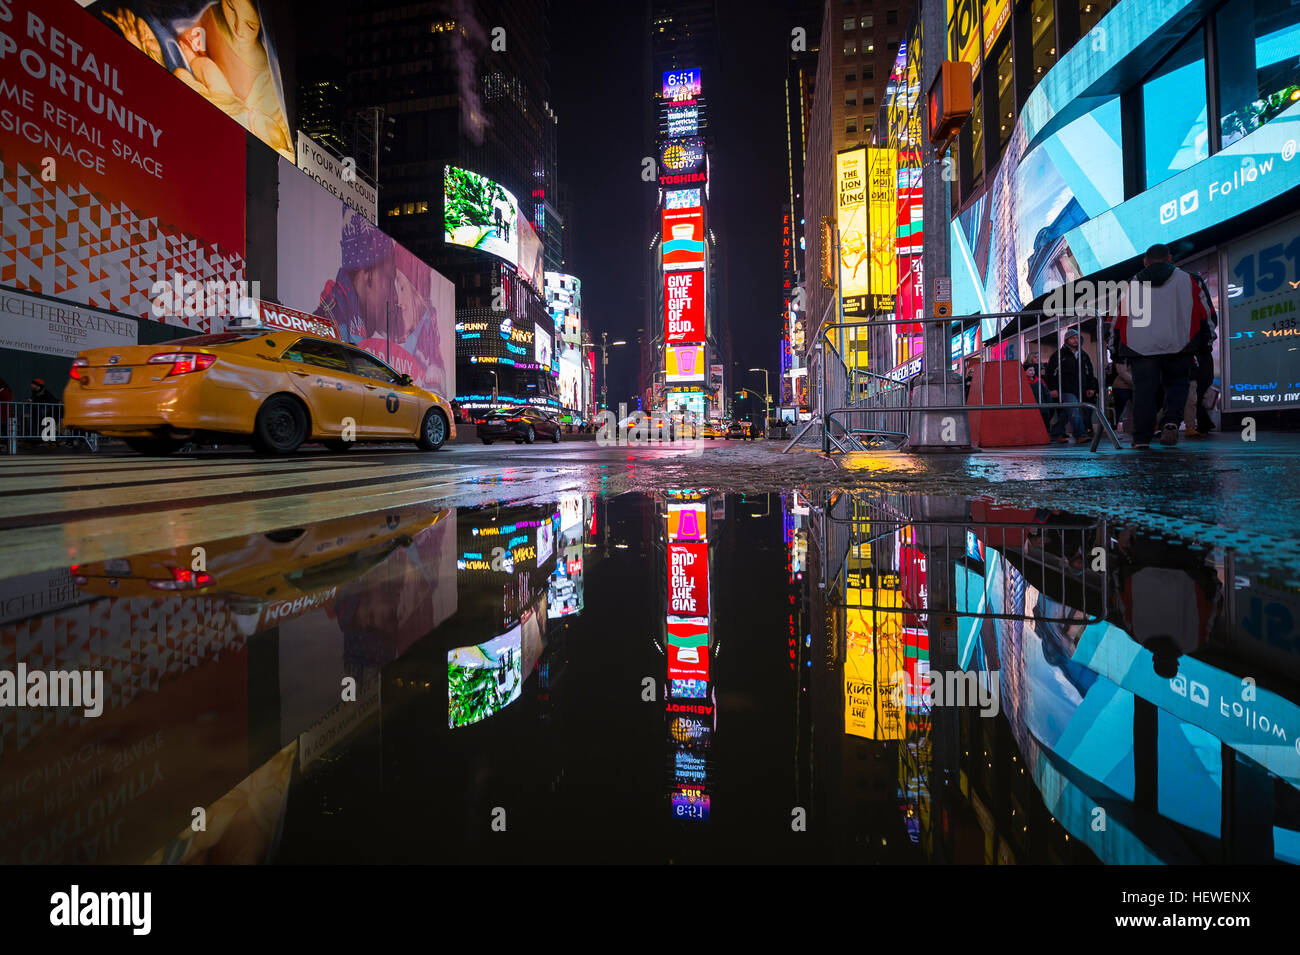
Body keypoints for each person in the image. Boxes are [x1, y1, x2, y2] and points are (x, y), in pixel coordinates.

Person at [1114, 243, 1215, 449]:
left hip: (1140, 349)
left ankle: (1141, 439)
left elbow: (1119, 321)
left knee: (1144, 392)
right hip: (1180, 345)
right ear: (1170, 259)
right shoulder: (1190, 279)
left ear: (1145, 261)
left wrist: (1115, 348)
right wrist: (1206, 341)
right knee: (1178, 385)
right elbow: (1206, 314)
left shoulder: (1131, 285)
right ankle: (1171, 421)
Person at [1043, 329, 1097, 443]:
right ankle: (1080, 434)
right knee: (1073, 411)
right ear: (1066, 340)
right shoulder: (1058, 355)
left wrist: (1091, 387)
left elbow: (1089, 371)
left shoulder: (1083, 355)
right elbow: (1050, 372)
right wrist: (1053, 388)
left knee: (1067, 412)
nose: (1075, 340)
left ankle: (1056, 432)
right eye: (1072, 338)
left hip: (1080, 388)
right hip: (1065, 388)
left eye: (1077, 338)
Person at [1022, 346, 1053, 428]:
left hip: (1043, 393)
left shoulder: (1042, 368)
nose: (1037, 359)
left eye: (1038, 357)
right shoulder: (1026, 369)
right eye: (1035, 357)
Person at [1107, 358, 1134, 432]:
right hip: (1121, 386)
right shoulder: (1121, 357)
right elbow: (1122, 372)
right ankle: (1114, 428)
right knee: (1118, 409)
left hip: (1129, 385)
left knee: (1136, 408)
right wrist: (1136, 383)